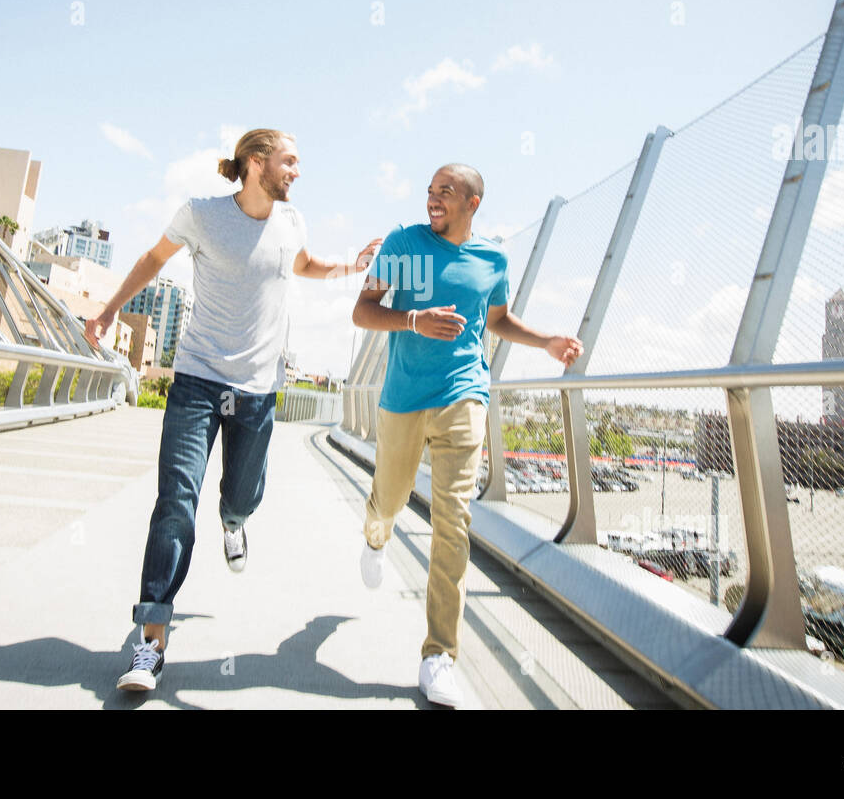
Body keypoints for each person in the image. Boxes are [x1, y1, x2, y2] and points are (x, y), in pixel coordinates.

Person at [85, 128, 380, 692]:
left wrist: (349, 266)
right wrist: (107, 312)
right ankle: (150, 645)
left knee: (242, 495)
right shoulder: (200, 213)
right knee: (175, 500)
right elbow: (153, 258)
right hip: (197, 377)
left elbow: (304, 265)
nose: (297, 171)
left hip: (258, 389)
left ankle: (235, 520)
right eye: (290, 160)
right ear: (255, 161)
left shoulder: (291, 221)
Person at [351, 163, 581, 708]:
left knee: (453, 521)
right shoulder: (403, 244)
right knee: (391, 498)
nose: (432, 200)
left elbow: (497, 321)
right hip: (404, 397)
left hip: (465, 395)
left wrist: (546, 339)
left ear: (472, 203)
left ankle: (439, 656)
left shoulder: (493, 258)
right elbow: (362, 311)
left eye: (445, 193)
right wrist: (412, 321)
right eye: (430, 191)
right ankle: (375, 533)